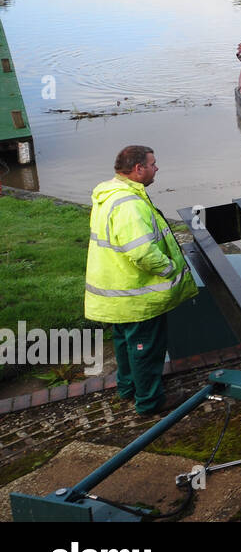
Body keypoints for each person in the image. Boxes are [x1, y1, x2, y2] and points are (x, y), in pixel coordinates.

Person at [85, 146, 197, 416]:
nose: (156, 168)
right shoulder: (130, 205)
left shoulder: (110, 193)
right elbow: (142, 251)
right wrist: (169, 267)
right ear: (138, 169)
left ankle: (128, 388)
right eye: (153, 164)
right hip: (136, 294)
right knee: (145, 347)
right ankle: (149, 401)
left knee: (124, 343)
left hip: (116, 290)